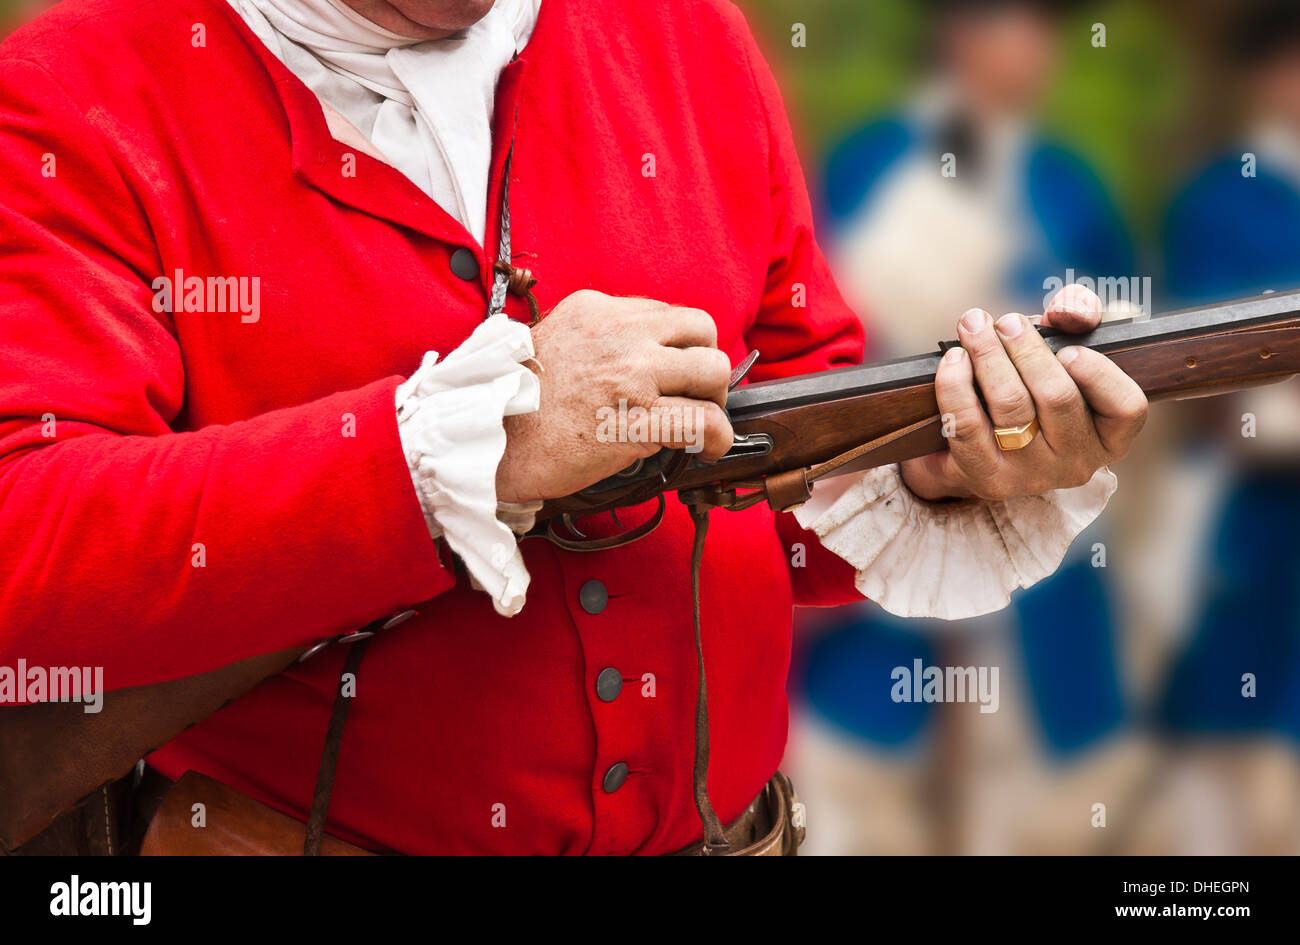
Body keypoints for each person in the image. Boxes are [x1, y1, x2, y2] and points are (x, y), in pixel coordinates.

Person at [0, 0, 1146, 855]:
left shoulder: (685, 36)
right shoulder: (73, 89)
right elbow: (26, 543)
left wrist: (944, 469)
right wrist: (467, 448)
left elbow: (781, 457)